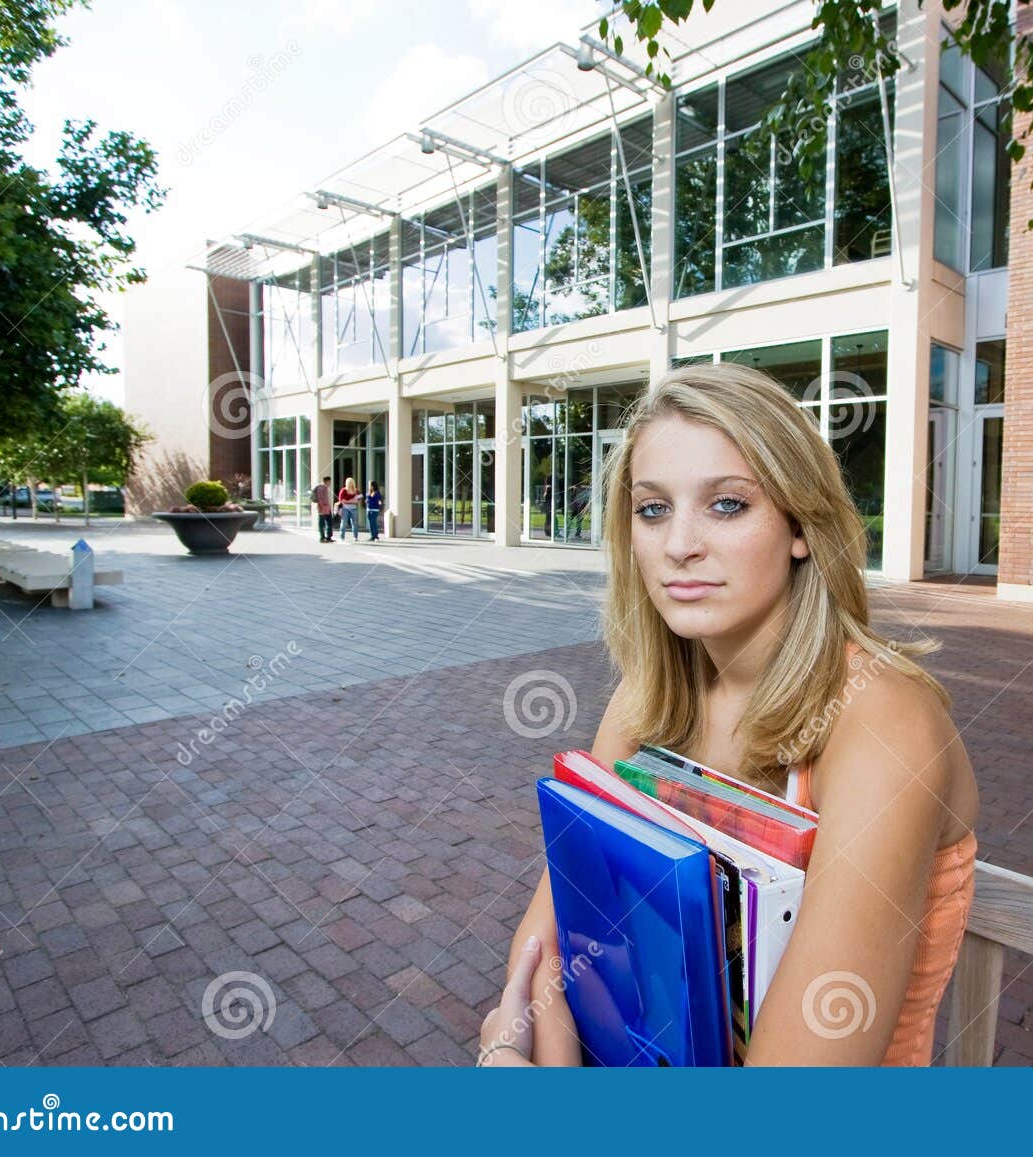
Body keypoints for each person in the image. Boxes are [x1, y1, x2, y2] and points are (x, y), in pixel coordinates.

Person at [479, 363, 980, 1067]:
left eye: (727, 504)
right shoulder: (646, 699)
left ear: (801, 524)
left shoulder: (883, 721)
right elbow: (541, 954)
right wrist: (514, 1043)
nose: (679, 543)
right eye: (653, 509)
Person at [311, 476, 334, 543]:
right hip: (322, 509)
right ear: (327, 481)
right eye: (329, 482)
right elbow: (320, 499)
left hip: (327, 508)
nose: (330, 483)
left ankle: (328, 537)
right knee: (322, 524)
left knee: (330, 522)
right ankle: (322, 538)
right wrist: (322, 507)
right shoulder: (321, 488)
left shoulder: (325, 488)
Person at [336, 477, 360, 541]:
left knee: (355, 523)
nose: (350, 484)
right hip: (345, 509)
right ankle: (342, 536)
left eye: (351, 483)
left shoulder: (356, 491)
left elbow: (357, 500)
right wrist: (351, 500)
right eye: (348, 483)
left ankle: (355, 536)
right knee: (344, 523)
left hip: (354, 509)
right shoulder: (343, 490)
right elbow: (341, 500)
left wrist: (348, 501)